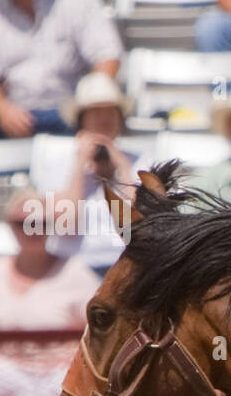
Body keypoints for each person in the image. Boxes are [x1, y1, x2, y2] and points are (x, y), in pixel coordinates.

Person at [0, 0, 122, 140]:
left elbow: (108, 58)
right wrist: (3, 109)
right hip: (12, 117)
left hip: (71, 113)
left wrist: (88, 106)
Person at [41, 73, 150, 277]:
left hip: (126, 268)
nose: (104, 118)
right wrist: (79, 167)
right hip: (72, 268)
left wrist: (123, 168)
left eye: (110, 111)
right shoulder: (57, 164)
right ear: (82, 119)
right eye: (95, 112)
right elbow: (65, 224)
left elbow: (139, 224)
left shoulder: (140, 163)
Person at [0, 187, 99, 329]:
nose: (33, 230)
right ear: (9, 224)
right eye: (24, 223)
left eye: (41, 224)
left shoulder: (76, 273)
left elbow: (100, 335)